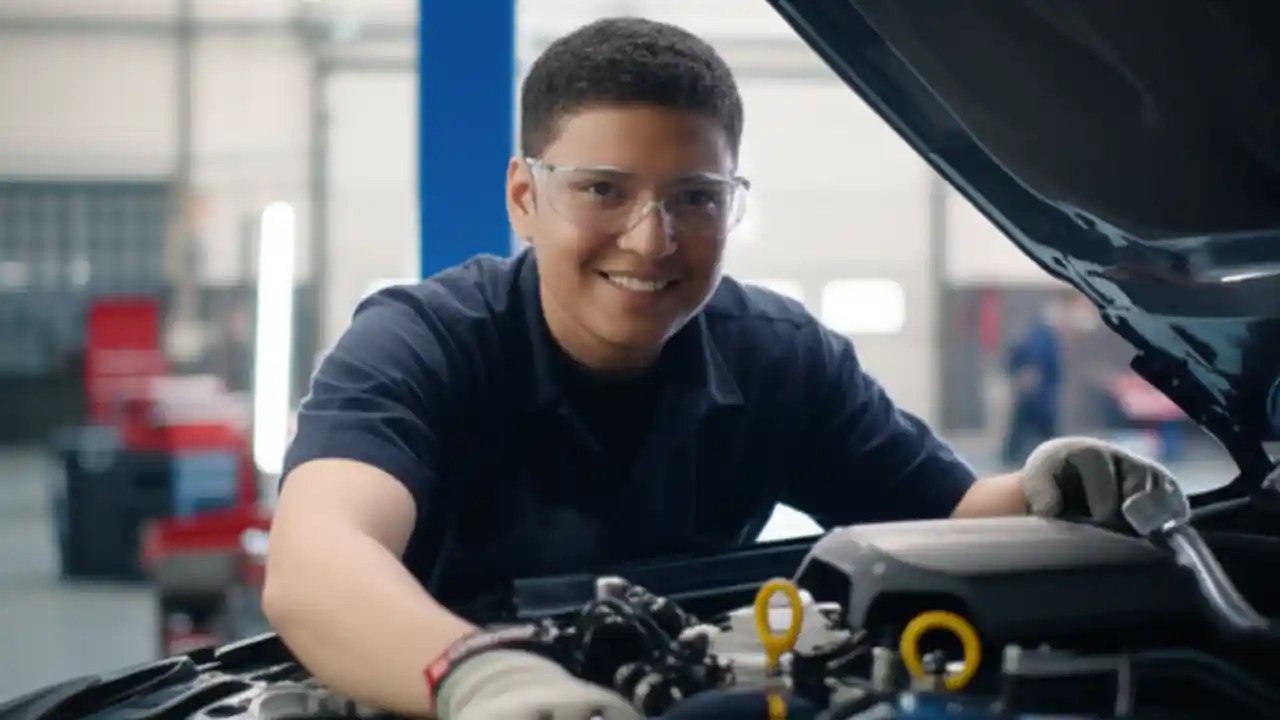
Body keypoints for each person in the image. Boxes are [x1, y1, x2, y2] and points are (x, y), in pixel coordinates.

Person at [262, 17, 1176, 720]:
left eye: (696, 198)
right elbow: (316, 560)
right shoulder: (425, 341)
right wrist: (481, 679)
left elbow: (945, 517)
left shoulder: (778, 359)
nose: (652, 239)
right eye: (602, 190)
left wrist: (1048, 488)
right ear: (523, 198)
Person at [1001, 297, 1065, 467]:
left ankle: (1012, 456)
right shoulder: (1042, 336)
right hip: (1038, 394)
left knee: (1024, 427)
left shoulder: (1041, 334)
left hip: (1038, 392)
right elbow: (1035, 362)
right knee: (1038, 427)